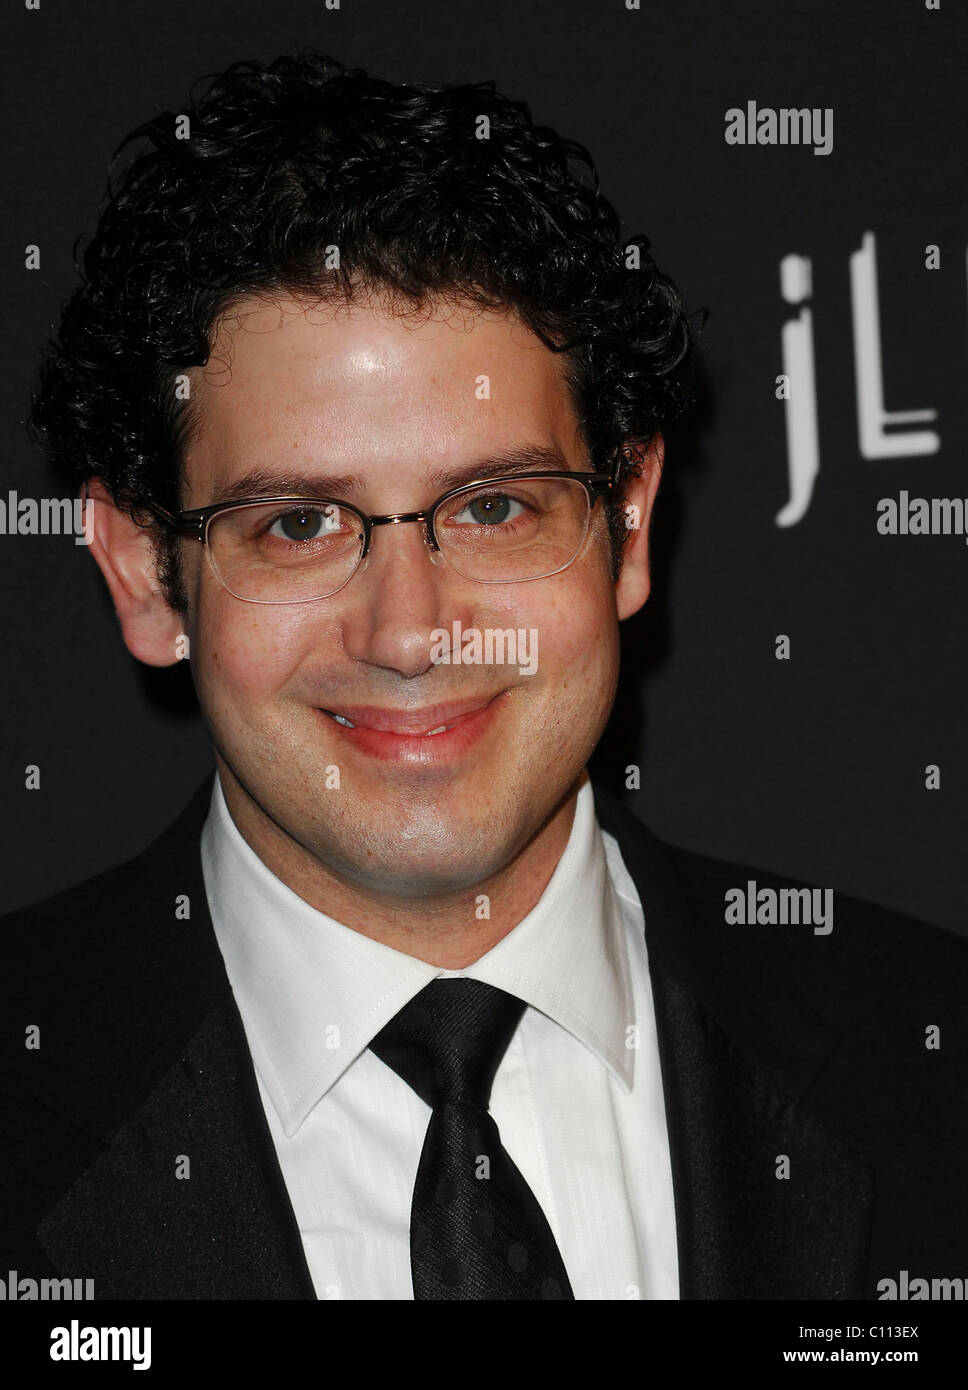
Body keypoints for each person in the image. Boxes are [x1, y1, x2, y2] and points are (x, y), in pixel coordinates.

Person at [2, 51, 965, 1302]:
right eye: (298, 522)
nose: (412, 635)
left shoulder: (927, 1060)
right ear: (143, 572)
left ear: (626, 524)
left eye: (495, 505)